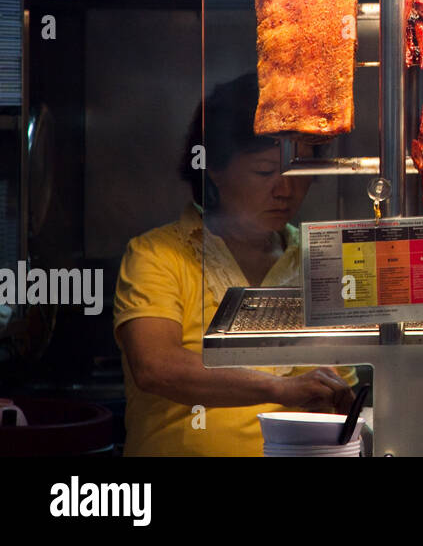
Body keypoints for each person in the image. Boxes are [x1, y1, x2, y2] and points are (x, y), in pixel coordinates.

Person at [114, 73, 356, 456]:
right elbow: (156, 366)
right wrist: (278, 388)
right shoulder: (158, 255)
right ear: (213, 168)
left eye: (300, 173)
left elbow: (340, 388)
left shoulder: (318, 261)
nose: (285, 190)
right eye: (264, 172)